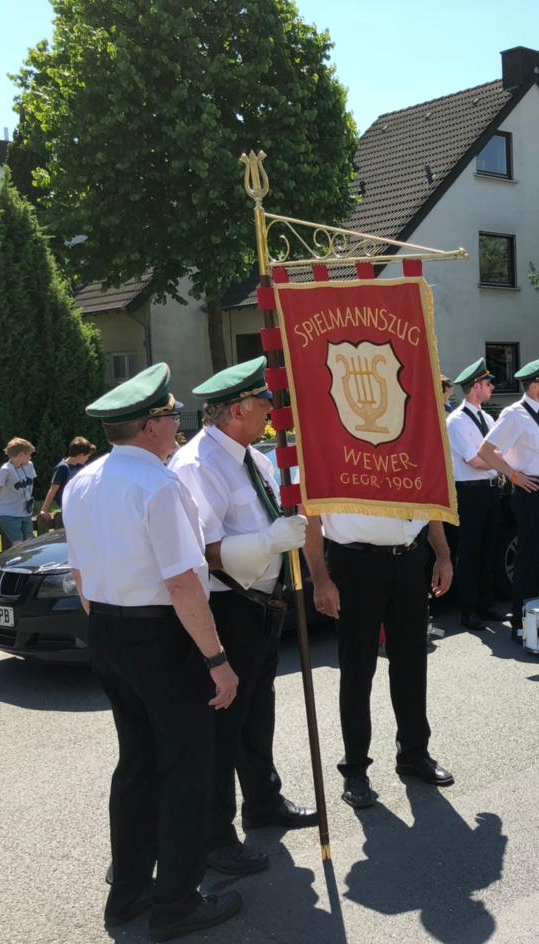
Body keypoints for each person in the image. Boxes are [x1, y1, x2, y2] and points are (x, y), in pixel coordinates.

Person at [63, 363, 243, 941]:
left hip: (110, 631)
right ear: (149, 427)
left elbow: (81, 574)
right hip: (160, 636)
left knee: (137, 762)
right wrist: (217, 660)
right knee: (187, 765)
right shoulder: (160, 486)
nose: (175, 424)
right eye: (169, 416)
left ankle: (130, 892)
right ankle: (177, 902)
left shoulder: (81, 481)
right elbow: (184, 584)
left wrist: (111, 633)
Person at [168, 357, 316, 879]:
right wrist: (267, 542)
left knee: (258, 712)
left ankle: (262, 800)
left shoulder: (252, 456)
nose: (272, 412)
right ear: (236, 411)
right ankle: (215, 835)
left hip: (263, 604)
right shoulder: (197, 464)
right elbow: (202, 550)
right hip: (229, 605)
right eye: (264, 404)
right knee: (223, 724)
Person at [305, 501, 454, 808]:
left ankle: (414, 753)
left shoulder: (415, 450)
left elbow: (429, 499)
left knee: (412, 664)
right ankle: (355, 768)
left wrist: (443, 554)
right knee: (357, 669)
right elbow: (310, 513)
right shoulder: (335, 451)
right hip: (355, 563)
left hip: (409, 558)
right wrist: (320, 578)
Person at [477, 355, 539, 639]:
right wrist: (513, 475)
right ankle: (521, 621)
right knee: (528, 557)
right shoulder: (514, 414)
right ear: (534, 386)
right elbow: (486, 450)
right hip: (531, 489)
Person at [445, 358, 501, 631]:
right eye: (488, 384)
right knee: (469, 553)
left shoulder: (486, 417)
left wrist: (500, 462)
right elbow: (474, 460)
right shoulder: (456, 421)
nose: (492, 388)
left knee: (489, 548)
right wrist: (504, 464)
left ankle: (485, 604)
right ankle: (468, 610)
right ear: (476, 386)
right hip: (469, 493)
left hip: (489, 491)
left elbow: (494, 452)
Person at [0, 437, 37, 545]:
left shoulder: (29, 466)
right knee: (18, 544)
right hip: (8, 512)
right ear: (21, 454)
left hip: (24, 512)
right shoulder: (5, 470)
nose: (30, 457)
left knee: (31, 543)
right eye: (29, 455)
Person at [38, 436, 96, 523]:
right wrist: (45, 509)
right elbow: (53, 489)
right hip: (68, 507)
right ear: (80, 455)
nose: (88, 459)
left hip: (81, 506)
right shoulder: (63, 468)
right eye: (87, 456)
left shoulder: (82, 466)